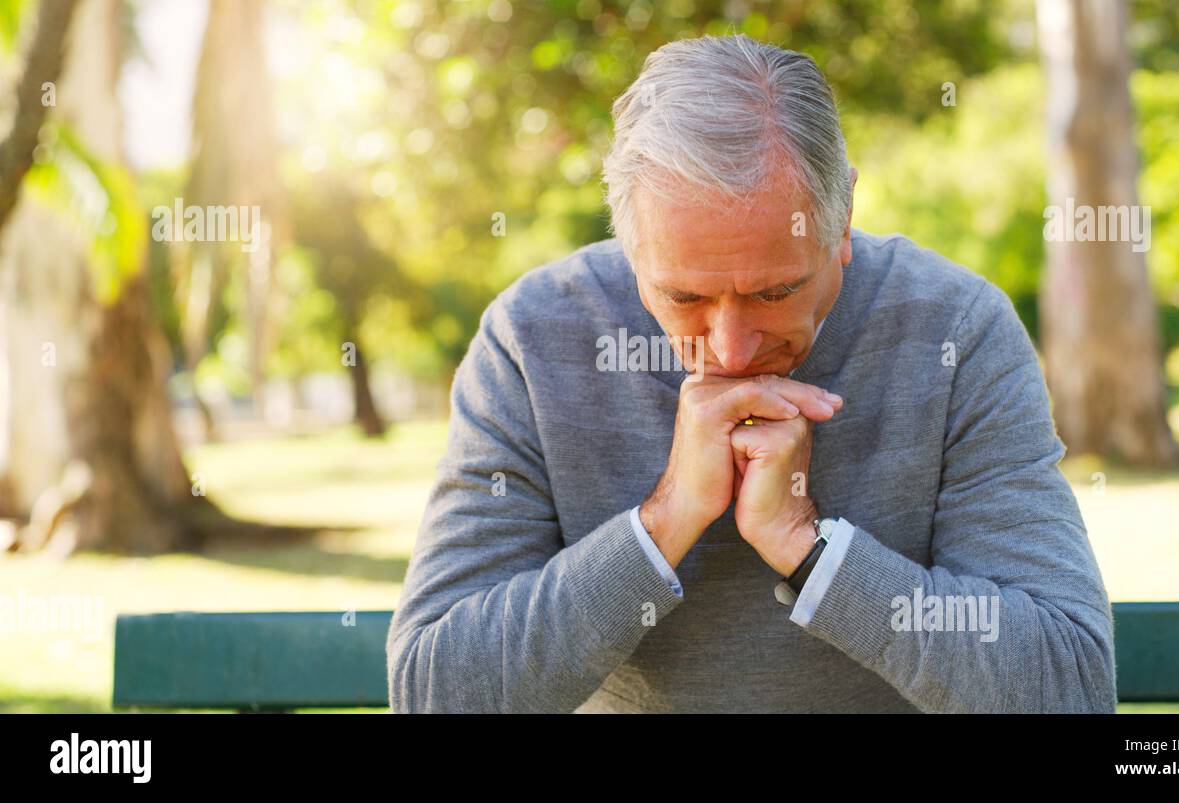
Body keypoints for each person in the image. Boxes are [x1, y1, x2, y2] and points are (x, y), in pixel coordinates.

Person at [386, 34, 1117, 713]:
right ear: (629, 244)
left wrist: (808, 548)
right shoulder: (533, 339)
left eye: (775, 292)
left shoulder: (957, 332)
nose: (731, 352)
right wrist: (665, 520)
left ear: (843, 220)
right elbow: (435, 687)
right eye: (684, 297)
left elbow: (1069, 684)